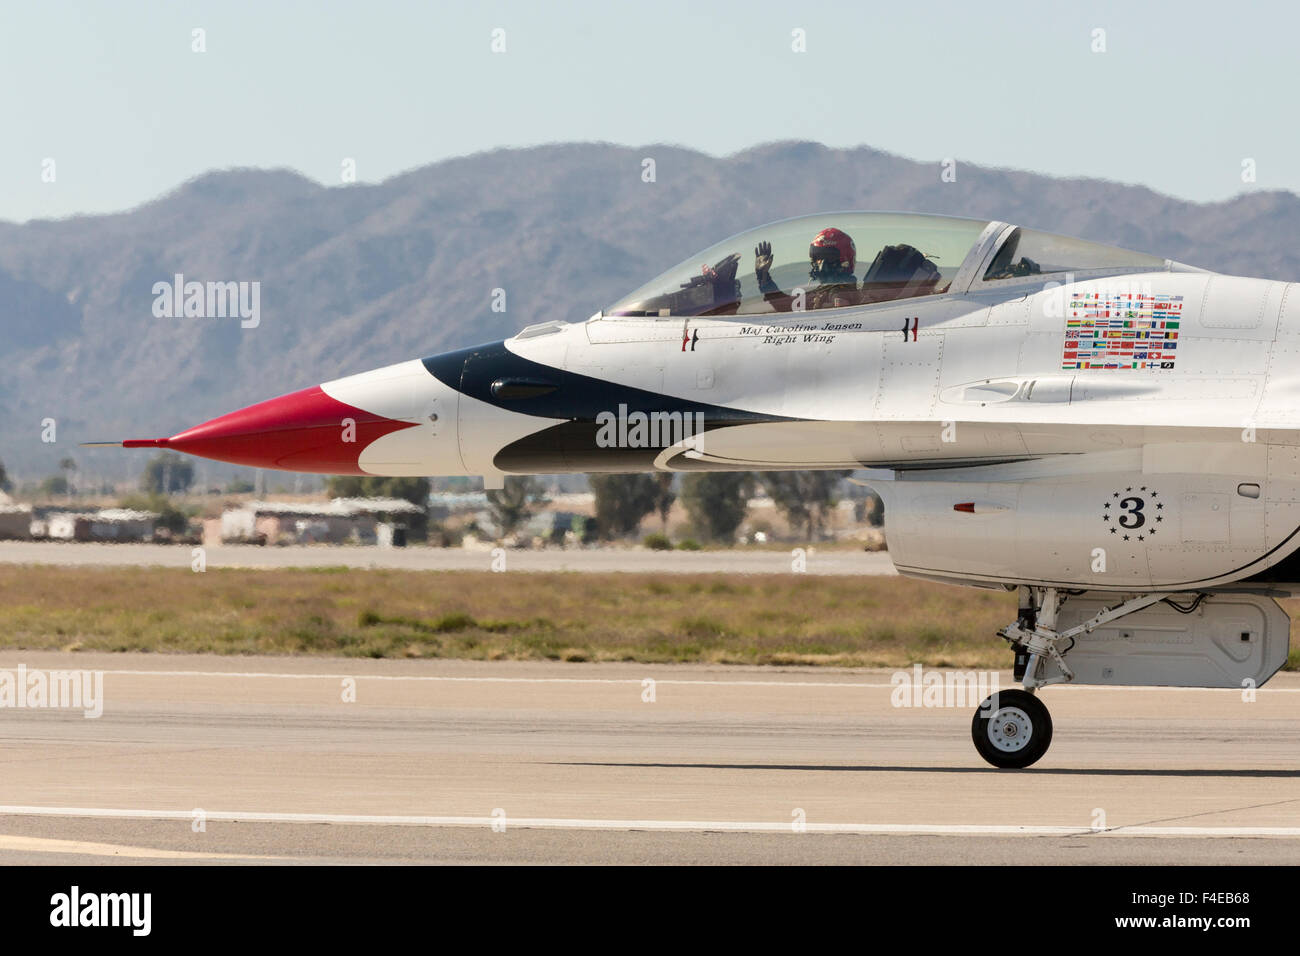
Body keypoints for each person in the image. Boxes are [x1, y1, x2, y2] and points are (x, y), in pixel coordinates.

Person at [754, 227, 859, 312]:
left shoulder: (842, 295)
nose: (819, 265)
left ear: (844, 261)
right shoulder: (822, 293)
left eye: (827, 259)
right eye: (817, 259)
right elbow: (787, 305)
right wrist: (764, 278)